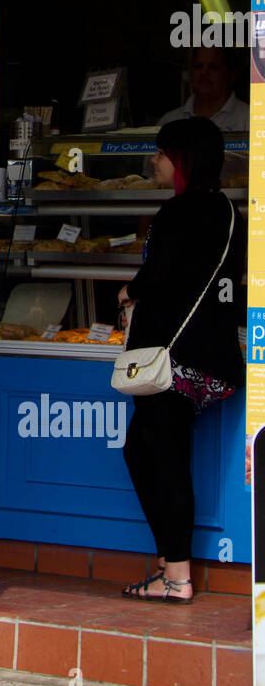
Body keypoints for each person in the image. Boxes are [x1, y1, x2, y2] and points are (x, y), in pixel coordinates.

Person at [117, 117, 244, 604]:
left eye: (162, 152)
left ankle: (176, 577)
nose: (154, 160)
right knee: (148, 451)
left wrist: (130, 290)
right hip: (211, 359)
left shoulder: (179, 211)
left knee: (161, 458)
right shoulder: (228, 211)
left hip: (175, 361)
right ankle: (171, 568)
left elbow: (160, 275)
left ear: (183, 159)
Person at [159, 48, 249, 132]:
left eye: (214, 67)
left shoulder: (250, 118)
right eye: (198, 66)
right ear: (191, 73)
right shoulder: (169, 120)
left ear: (232, 75)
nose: (204, 73)